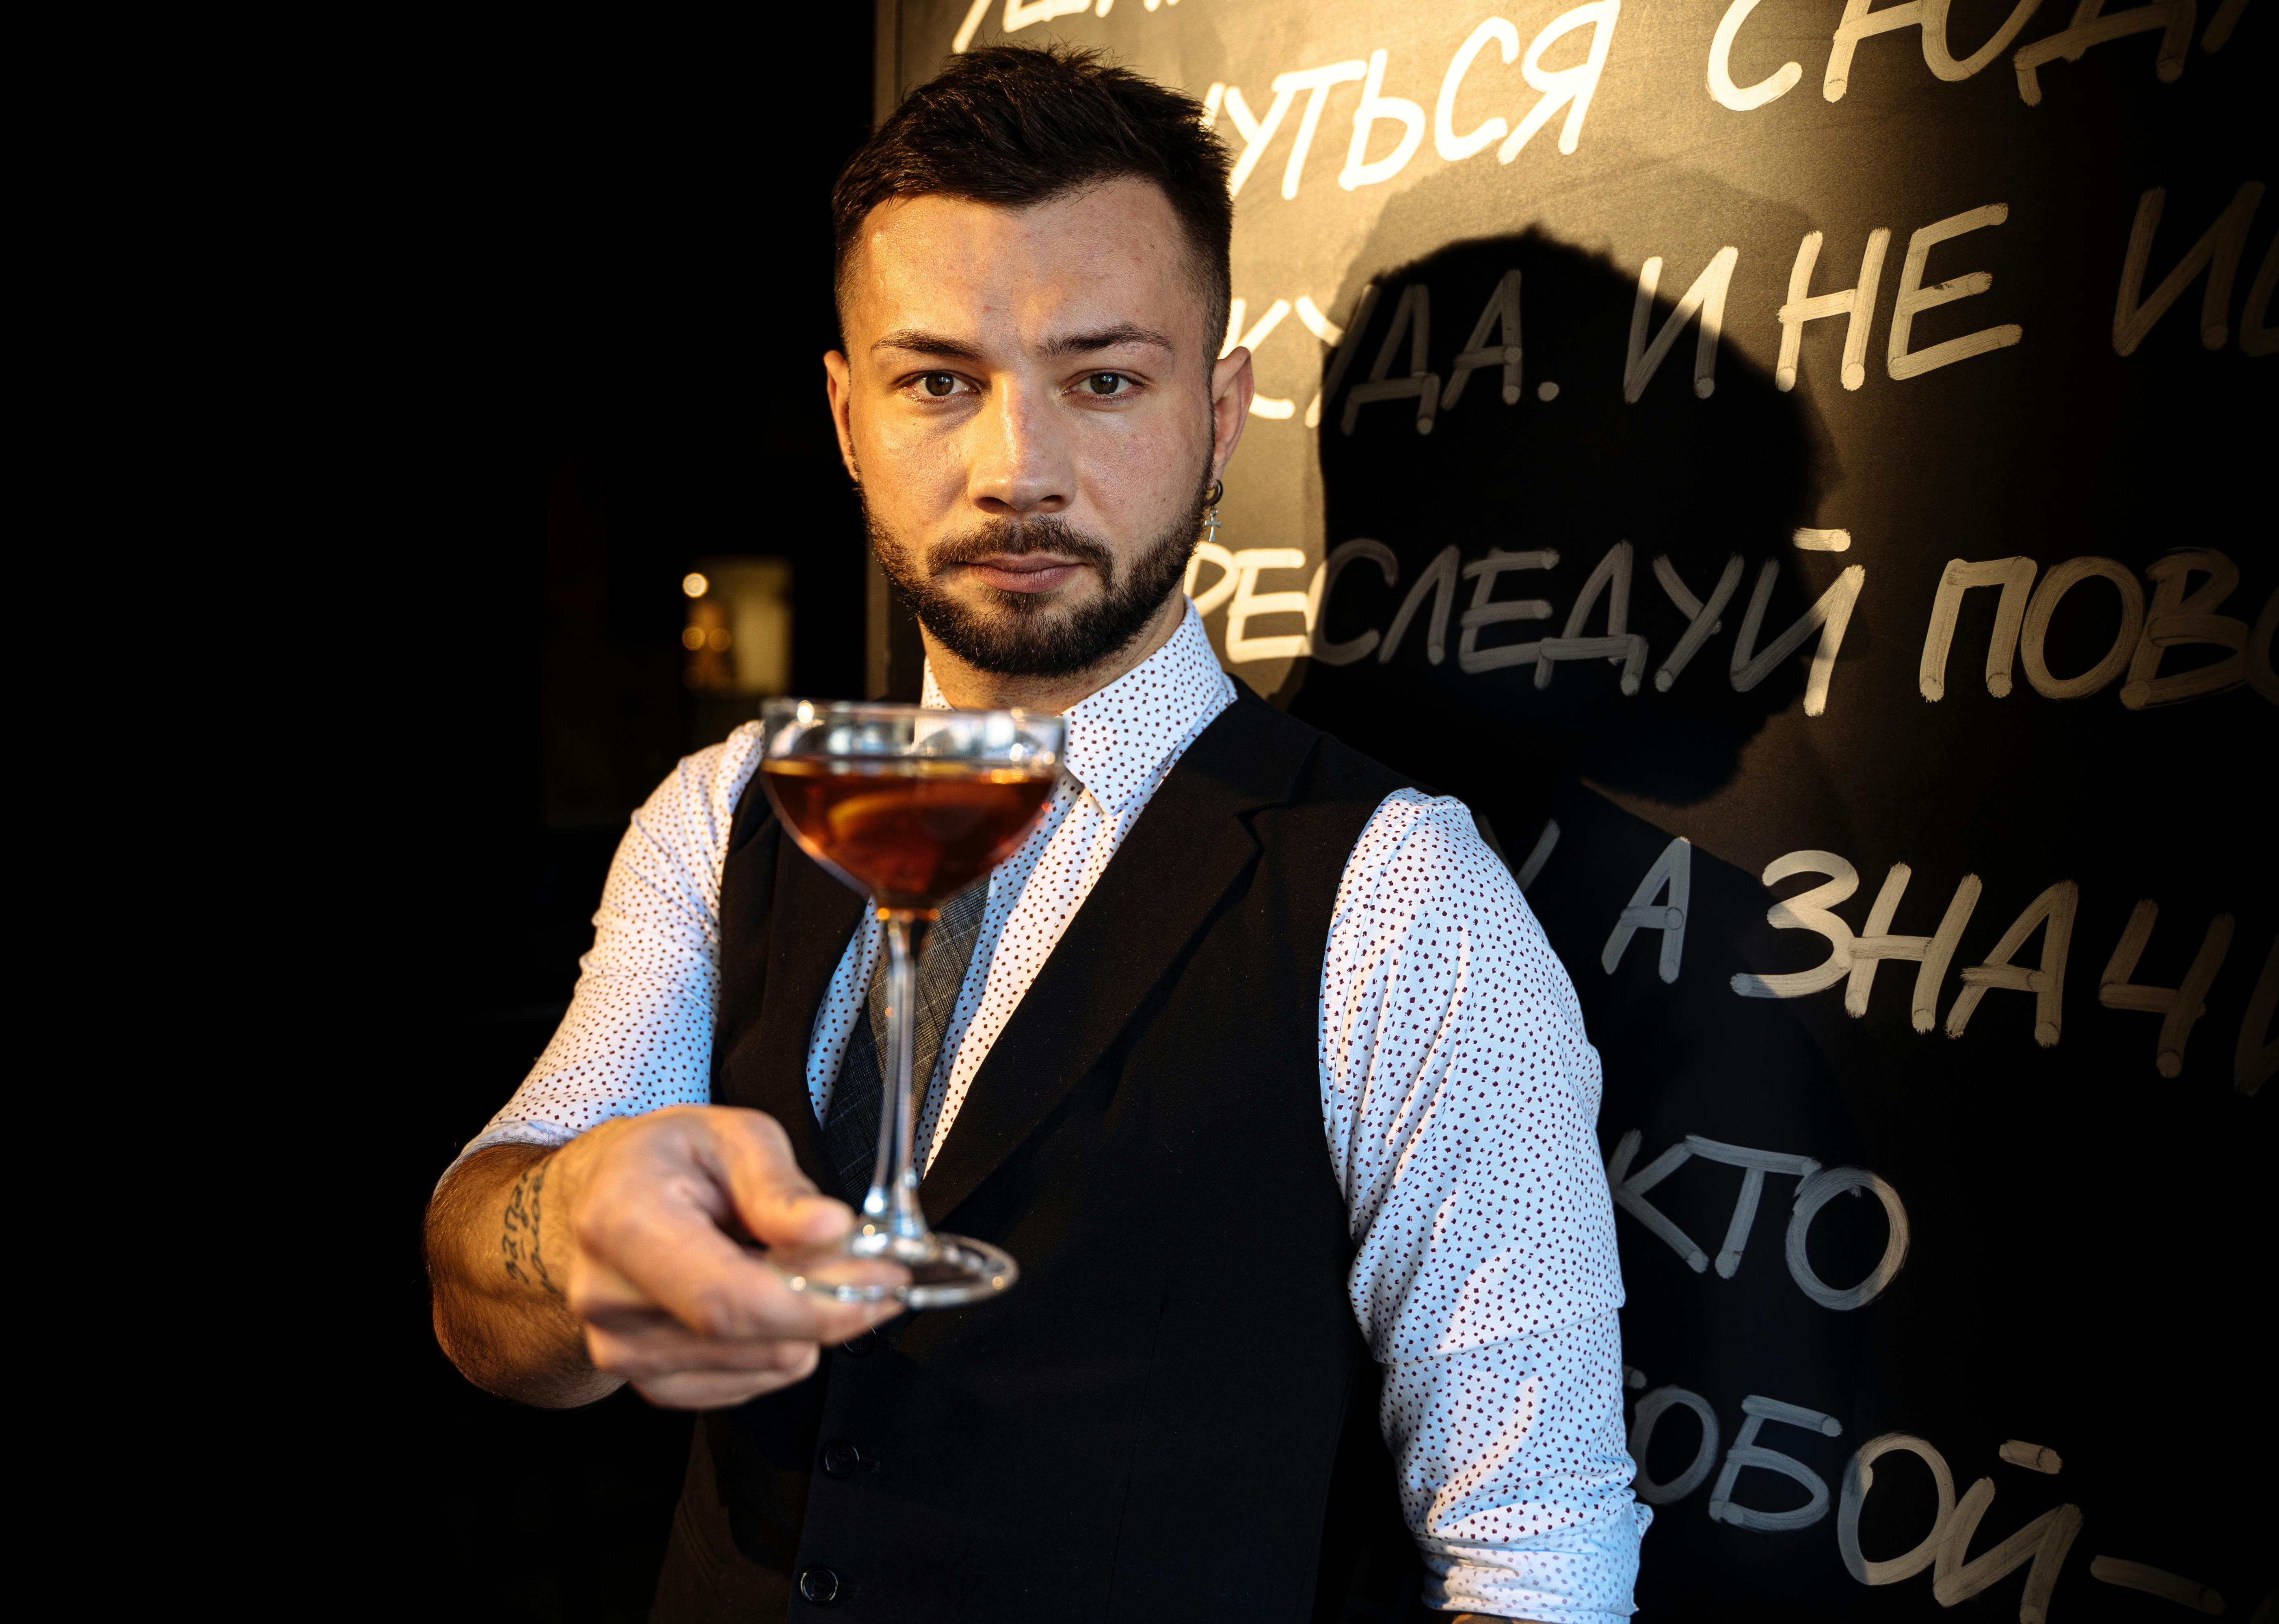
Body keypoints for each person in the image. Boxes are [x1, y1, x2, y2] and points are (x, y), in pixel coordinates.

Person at [426, 45, 1645, 1624]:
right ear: (847, 416)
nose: (1020, 469)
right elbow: (476, 1284)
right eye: (942, 380)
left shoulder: (1403, 895)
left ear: (1220, 415)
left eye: (1105, 379)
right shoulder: (729, 806)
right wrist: (565, 1224)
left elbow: (1536, 1549)